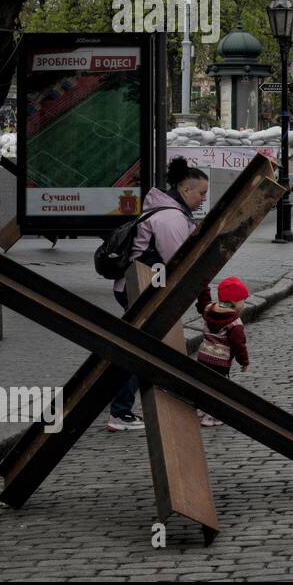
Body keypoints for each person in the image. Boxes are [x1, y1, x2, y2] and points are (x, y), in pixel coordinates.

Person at [106, 156, 210, 432]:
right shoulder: (170, 218)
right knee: (140, 350)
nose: (203, 199)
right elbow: (180, 264)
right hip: (140, 289)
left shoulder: (168, 212)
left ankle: (136, 404)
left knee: (144, 347)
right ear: (185, 190)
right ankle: (121, 411)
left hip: (138, 287)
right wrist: (203, 302)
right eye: (201, 193)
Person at [196, 276, 251, 427]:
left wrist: (204, 286)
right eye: (242, 300)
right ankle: (211, 416)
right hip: (220, 361)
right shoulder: (235, 323)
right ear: (234, 302)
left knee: (206, 383)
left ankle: (204, 407)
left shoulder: (209, 310)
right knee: (218, 388)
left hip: (203, 356)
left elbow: (203, 302)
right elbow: (238, 344)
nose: (244, 304)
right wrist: (244, 361)